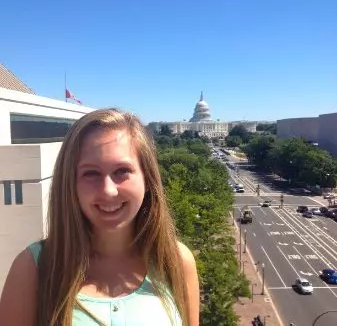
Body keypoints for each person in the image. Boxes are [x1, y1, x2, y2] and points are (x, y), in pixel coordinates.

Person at [0, 108, 200, 326]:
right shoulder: (34, 268)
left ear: (147, 179)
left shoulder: (176, 262)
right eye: (91, 173)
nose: (108, 191)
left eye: (122, 171)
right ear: (71, 184)